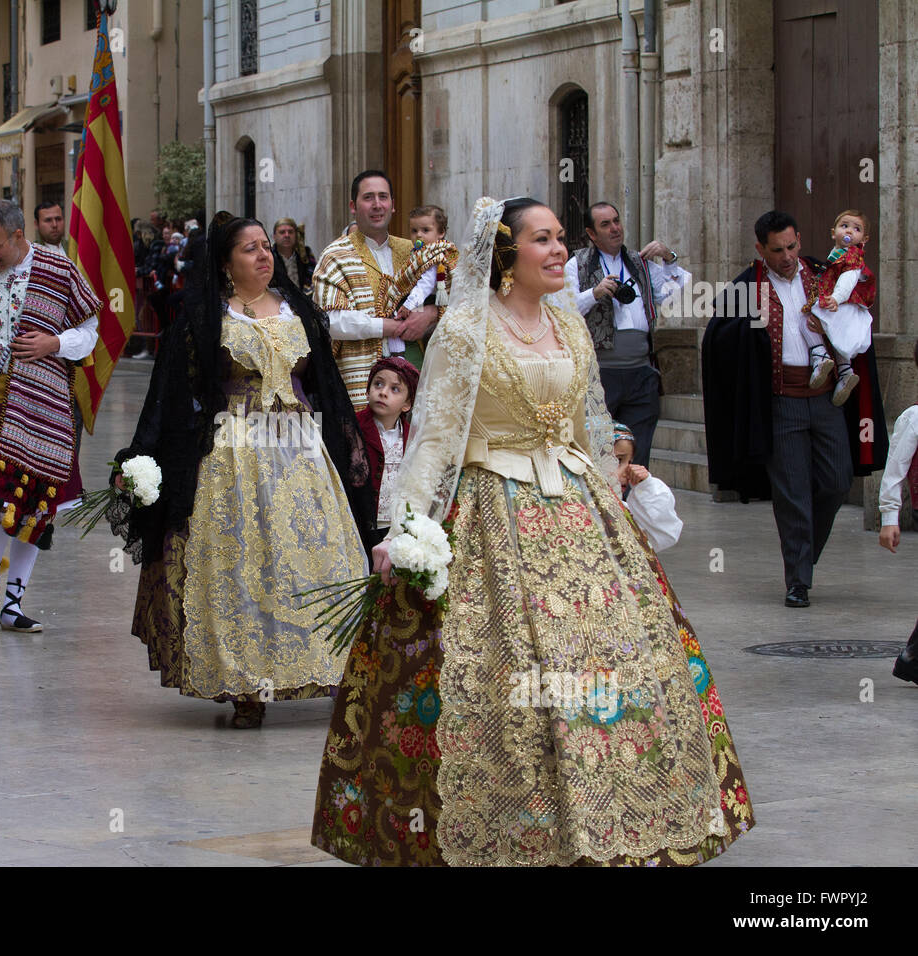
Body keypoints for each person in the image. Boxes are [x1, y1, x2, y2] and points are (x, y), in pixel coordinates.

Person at [313, 196, 754, 866]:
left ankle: (618, 813)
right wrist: (403, 527)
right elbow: (433, 439)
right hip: (493, 504)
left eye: (558, 240)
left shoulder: (568, 325)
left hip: (578, 504)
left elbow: (590, 426)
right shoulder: (464, 330)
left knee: (608, 657)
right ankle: (514, 824)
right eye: (542, 240)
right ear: (506, 256)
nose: (557, 252)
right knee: (501, 667)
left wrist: (619, 487)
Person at [108, 213, 376, 729]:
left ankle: (327, 664)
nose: (263, 255)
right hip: (234, 454)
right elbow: (173, 392)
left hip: (300, 450)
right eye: (249, 249)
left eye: (265, 246)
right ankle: (245, 683)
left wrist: (346, 442)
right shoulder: (207, 318)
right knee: (241, 562)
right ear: (227, 263)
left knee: (314, 555)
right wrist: (151, 456)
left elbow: (323, 383)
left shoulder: (298, 307)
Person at [702, 210, 887, 607]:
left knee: (837, 480)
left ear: (800, 240)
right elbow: (717, 340)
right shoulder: (745, 289)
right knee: (793, 495)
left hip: (826, 398)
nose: (786, 256)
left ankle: (804, 558)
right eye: (776, 250)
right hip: (781, 401)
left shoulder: (824, 274)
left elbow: (859, 303)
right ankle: (798, 580)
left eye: (791, 246)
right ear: (760, 249)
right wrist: (750, 335)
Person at [0, 199, 102, 633]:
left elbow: (89, 332)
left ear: (17, 235)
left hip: (47, 399)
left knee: (38, 505)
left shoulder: (58, 269)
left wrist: (54, 345)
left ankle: (14, 601)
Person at [564, 202, 690, 466]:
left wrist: (669, 258)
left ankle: (631, 504)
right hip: (599, 375)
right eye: (605, 224)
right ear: (591, 233)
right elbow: (561, 310)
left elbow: (673, 294)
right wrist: (594, 294)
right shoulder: (578, 264)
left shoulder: (639, 263)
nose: (614, 229)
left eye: (617, 221)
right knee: (599, 452)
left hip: (641, 374)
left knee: (638, 454)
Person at [312, 170, 441, 408]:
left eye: (383, 197)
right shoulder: (334, 256)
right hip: (361, 380)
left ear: (393, 205)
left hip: (416, 373)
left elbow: (453, 295)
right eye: (368, 197)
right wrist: (388, 327)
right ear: (353, 205)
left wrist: (430, 314)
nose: (377, 205)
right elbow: (328, 321)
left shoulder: (414, 251)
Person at [802, 210, 875, 406]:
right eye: (844, 226)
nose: (849, 231)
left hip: (841, 304)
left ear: (864, 239)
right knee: (838, 339)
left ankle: (819, 355)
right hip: (842, 305)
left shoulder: (852, 256)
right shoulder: (838, 254)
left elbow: (847, 280)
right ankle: (845, 373)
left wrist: (836, 298)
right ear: (833, 232)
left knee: (806, 320)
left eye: (856, 229)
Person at [878, 340, 918, 685]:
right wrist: (890, 518)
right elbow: (895, 471)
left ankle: (912, 657)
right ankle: (911, 657)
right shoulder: (914, 418)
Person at [357, 356, 418, 551]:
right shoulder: (353, 426)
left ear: (407, 404)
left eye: (395, 389)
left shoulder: (412, 437)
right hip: (360, 521)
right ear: (368, 391)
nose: (383, 392)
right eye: (378, 384)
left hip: (393, 526)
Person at [612, 421, 684, 551]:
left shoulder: (623, 511)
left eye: (630, 462)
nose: (627, 471)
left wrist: (646, 487)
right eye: (617, 461)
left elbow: (663, 534)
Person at [400, 204, 456, 369]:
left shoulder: (435, 255)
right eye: (414, 231)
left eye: (425, 230)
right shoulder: (420, 253)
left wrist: (408, 304)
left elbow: (425, 284)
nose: (419, 235)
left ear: (441, 232)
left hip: (431, 301)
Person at [272, 217, 316, 293]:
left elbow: (313, 277)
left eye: (290, 232)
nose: (287, 235)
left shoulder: (305, 254)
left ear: (296, 235)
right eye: (282, 232)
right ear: (274, 236)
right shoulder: (270, 256)